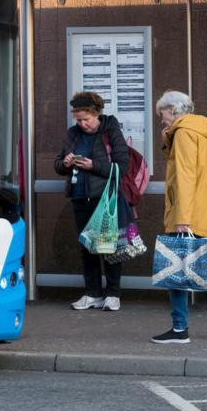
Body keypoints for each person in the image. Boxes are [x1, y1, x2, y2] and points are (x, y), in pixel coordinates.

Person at [150, 90, 207, 344]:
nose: (161, 120)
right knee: (200, 265)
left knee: (175, 270)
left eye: (162, 114)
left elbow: (185, 175)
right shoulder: (200, 130)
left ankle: (182, 327)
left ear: (174, 110)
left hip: (187, 213)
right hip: (204, 212)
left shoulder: (183, 133)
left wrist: (182, 216)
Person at [55, 91, 130, 312]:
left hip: (104, 198)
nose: (83, 124)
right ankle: (92, 293)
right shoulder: (73, 134)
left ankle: (113, 294)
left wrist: (93, 166)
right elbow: (57, 165)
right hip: (80, 197)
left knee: (109, 247)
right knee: (87, 247)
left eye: (86, 119)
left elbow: (121, 166)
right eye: (78, 120)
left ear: (96, 114)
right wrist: (66, 163)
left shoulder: (111, 131)